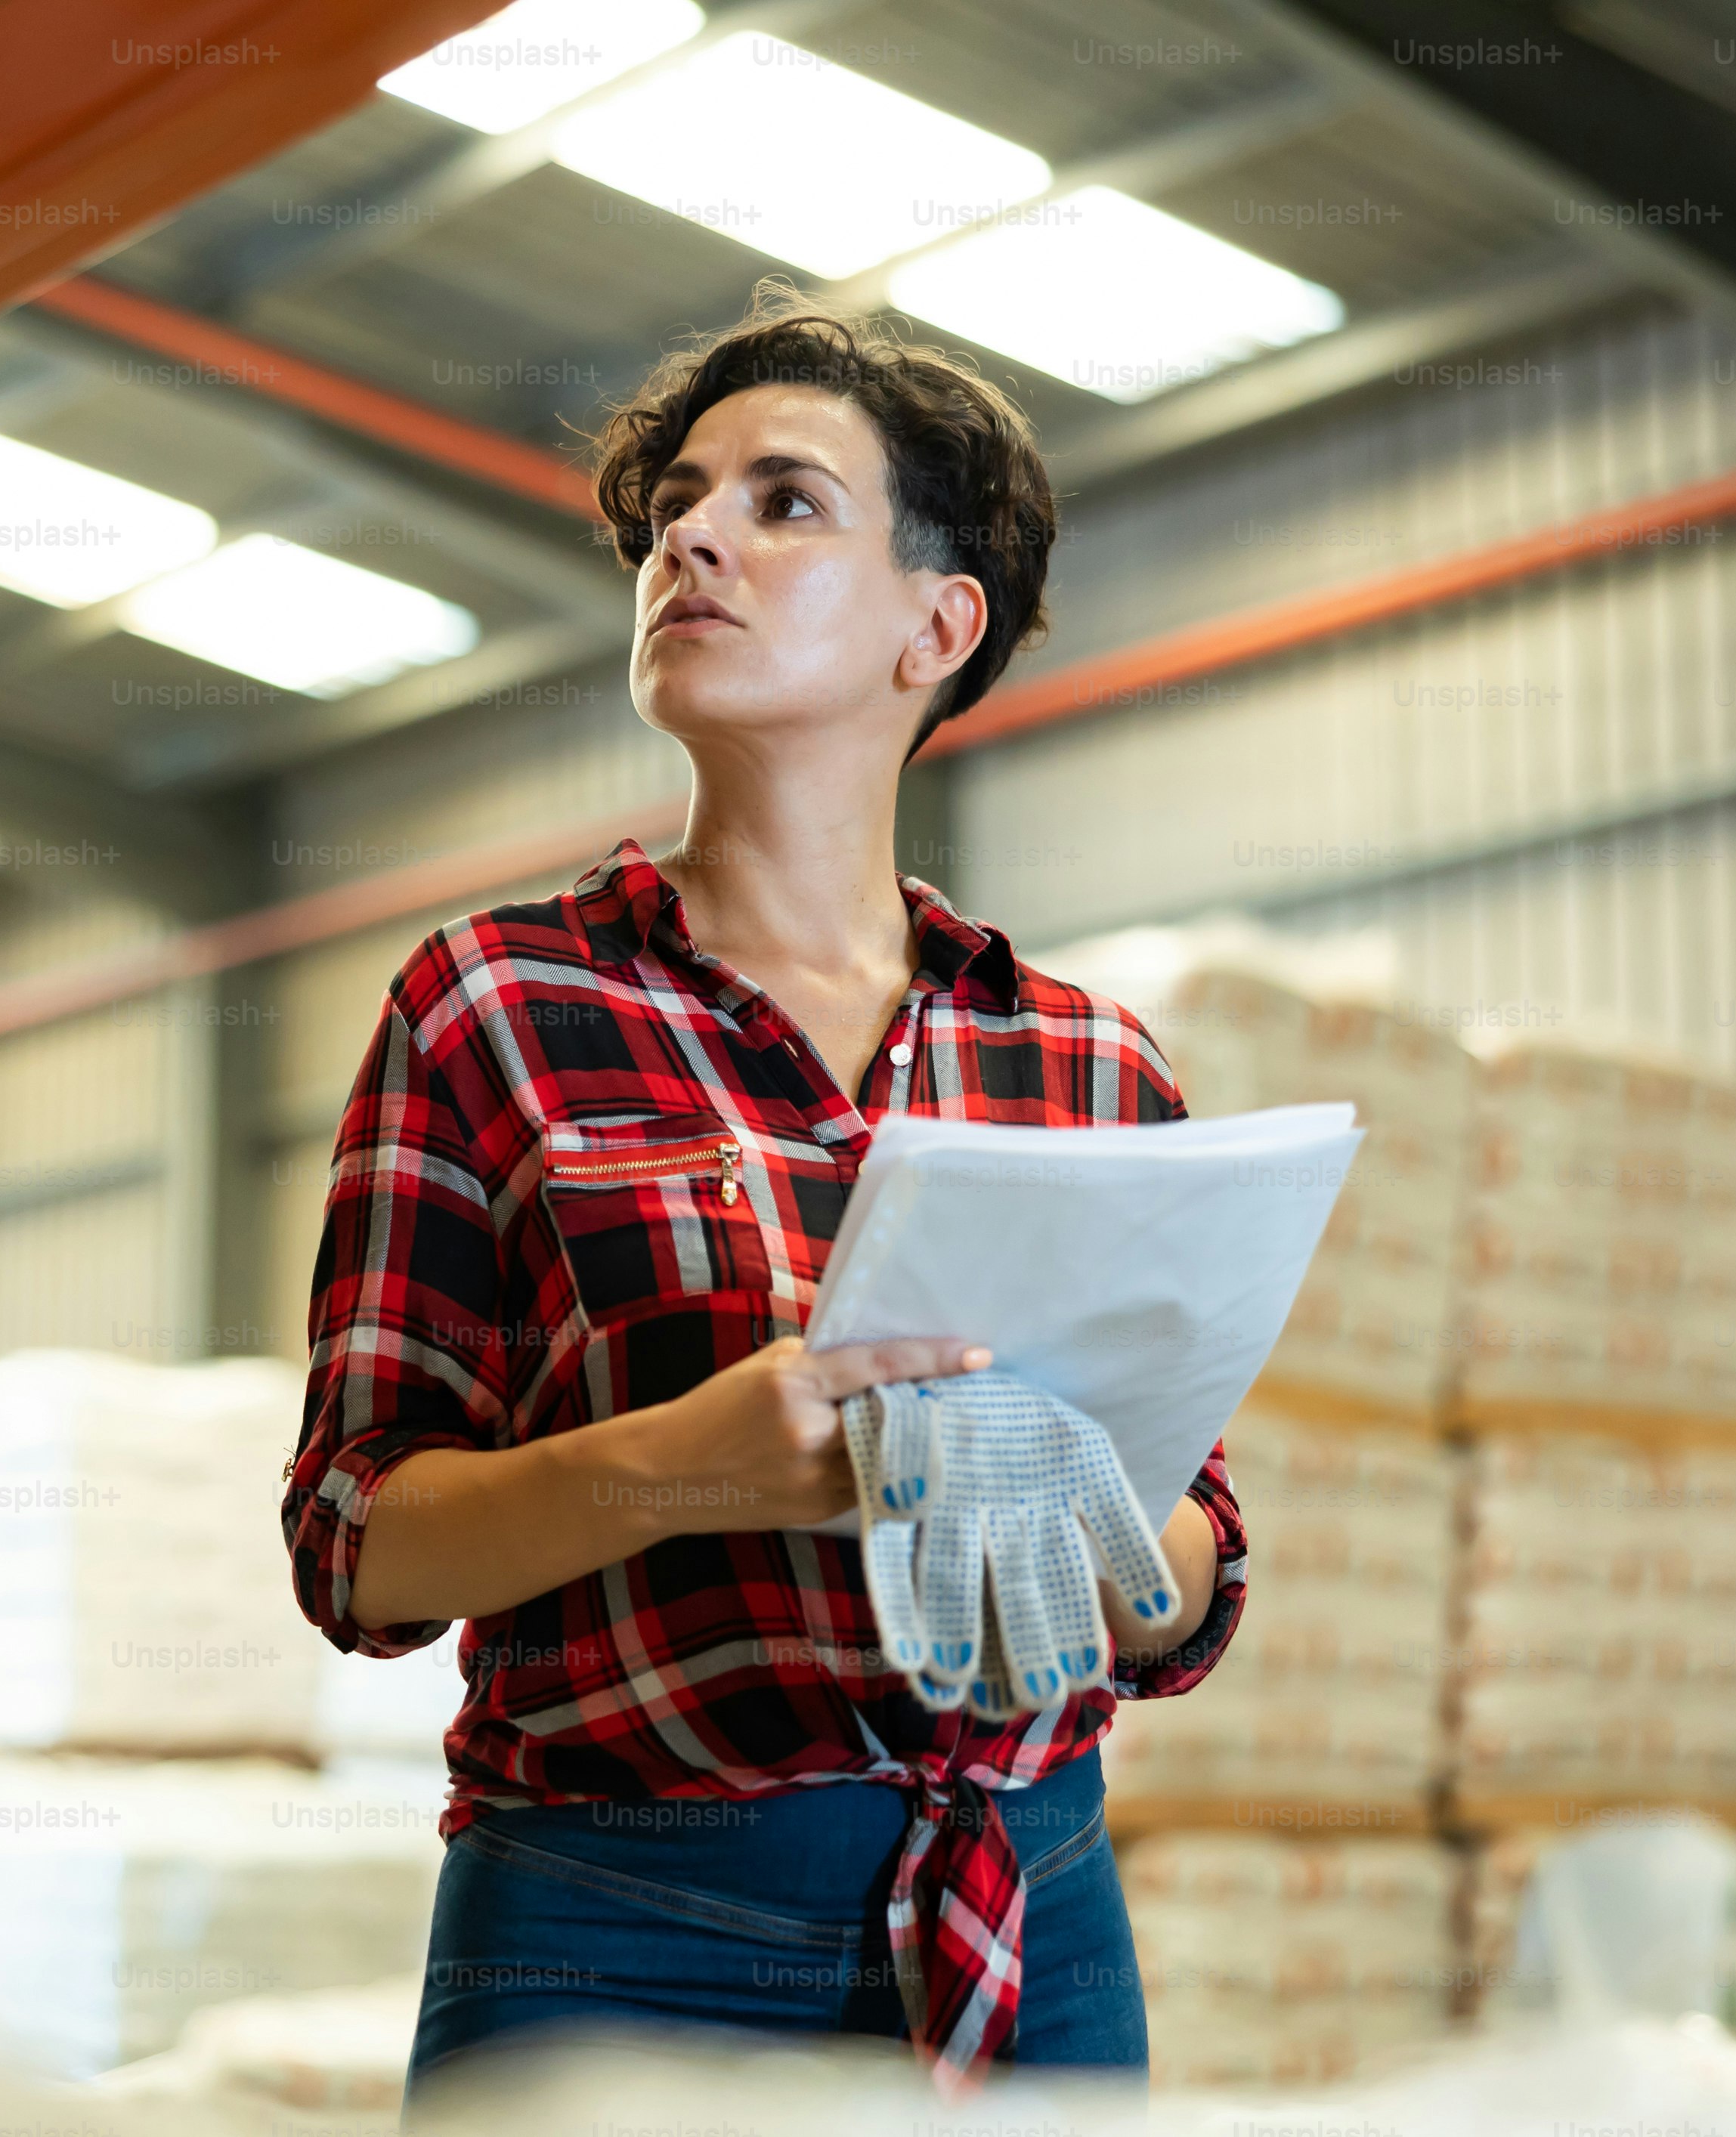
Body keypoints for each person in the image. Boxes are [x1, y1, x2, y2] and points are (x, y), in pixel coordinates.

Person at [280, 291, 1244, 2095]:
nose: (691, 535)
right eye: (677, 507)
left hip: (1034, 1909)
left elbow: (1192, 1557)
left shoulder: (1089, 1066)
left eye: (783, 500)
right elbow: (357, 1544)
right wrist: (692, 1465)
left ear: (933, 627)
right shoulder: (493, 1007)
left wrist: (1103, 1527)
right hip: (615, 1918)